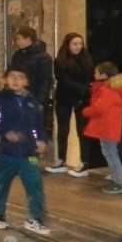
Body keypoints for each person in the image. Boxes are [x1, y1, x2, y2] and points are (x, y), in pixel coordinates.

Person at [0, 66, 51, 236]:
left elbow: (38, 125)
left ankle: (35, 219)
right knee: (1, 184)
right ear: (5, 79)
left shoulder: (32, 101)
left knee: (35, 185)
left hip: (29, 153)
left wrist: (41, 140)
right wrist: (6, 132)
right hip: (6, 152)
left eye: (20, 77)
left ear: (26, 81)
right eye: (12, 76)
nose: (16, 80)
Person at [45, 32, 93, 176]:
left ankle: (84, 162)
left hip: (82, 99)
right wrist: (83, 88)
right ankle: (61, 161)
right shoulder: (60, 60)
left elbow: (90, 78)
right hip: (64, 98)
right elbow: (63, 80)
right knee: (63, 130)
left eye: (80, 43)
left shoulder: (87, 59)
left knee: (82, 131)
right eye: (74, 44)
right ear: (68, 45)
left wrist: (84, 91)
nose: (78, 46)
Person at [81, 62, 122, 194]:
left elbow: (99, 108)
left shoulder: (107, 89)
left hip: (106, 127)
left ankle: (119, 182)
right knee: (111, 152)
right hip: (111, 126)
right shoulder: (115, 88)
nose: (94, 74)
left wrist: (86, 111)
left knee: (110, 153)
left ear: (104, 75)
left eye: (96, 72)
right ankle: (118, 177)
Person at [9, 27, 52, 110]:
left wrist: (39, 101)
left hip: (35, 98)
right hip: (18, 98)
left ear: (28, 39)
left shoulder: (44, 58)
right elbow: (12, 72)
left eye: (19, 39)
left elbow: (46, 80)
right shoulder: (17, 55)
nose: (17, 42)